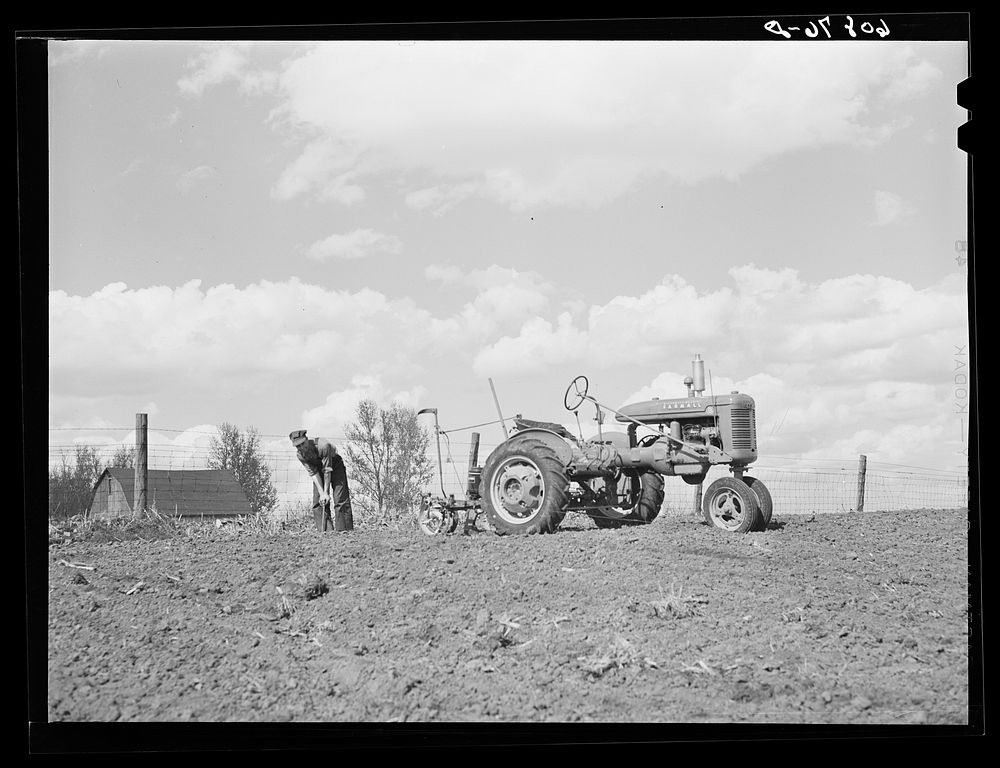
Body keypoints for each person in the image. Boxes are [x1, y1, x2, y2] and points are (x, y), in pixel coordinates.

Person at [289, 429, 354, 532]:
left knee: (340, 499)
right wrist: (322, 493)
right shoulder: (300, 455)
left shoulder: (323, 445)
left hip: (335, 465)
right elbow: (313, 473)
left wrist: (326, 492)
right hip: (318, 471)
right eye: (298, 446)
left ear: (306, 439)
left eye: (302, 444)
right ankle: (326, 533)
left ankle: (344, 531)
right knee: (319, 501)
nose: (301, 447)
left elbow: (327, 470)